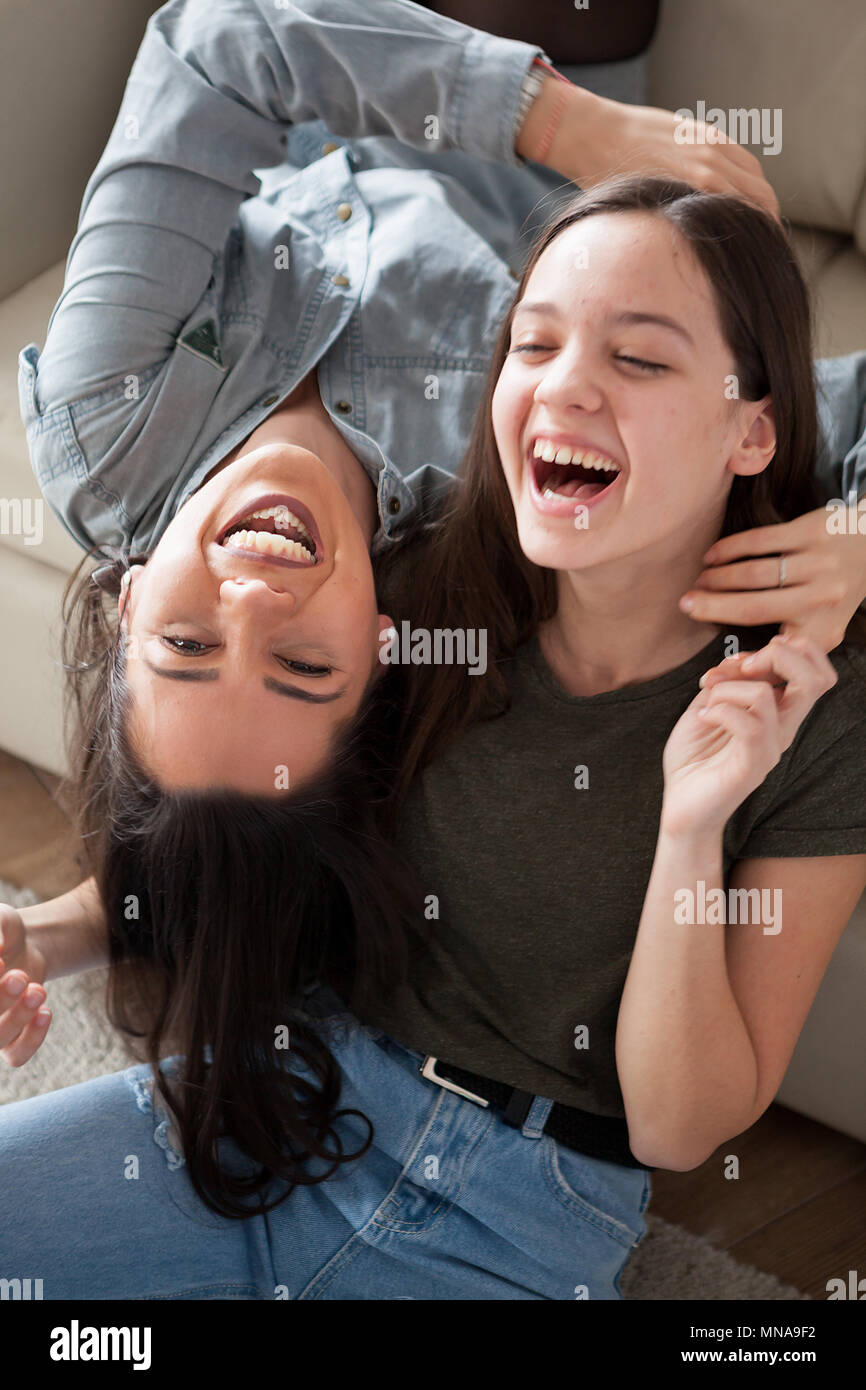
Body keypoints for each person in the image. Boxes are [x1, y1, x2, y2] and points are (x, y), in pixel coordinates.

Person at [1, 176, 865, 1301]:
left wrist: (690, 826)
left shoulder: (814, 703)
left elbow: (677, 1126)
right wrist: (38, 939)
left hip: (524, 1219)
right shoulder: (420, 591)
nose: (563, 386)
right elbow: (249, 819)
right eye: (533, 343)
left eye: (638, 359)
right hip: (283, 1100)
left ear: (752, 429)